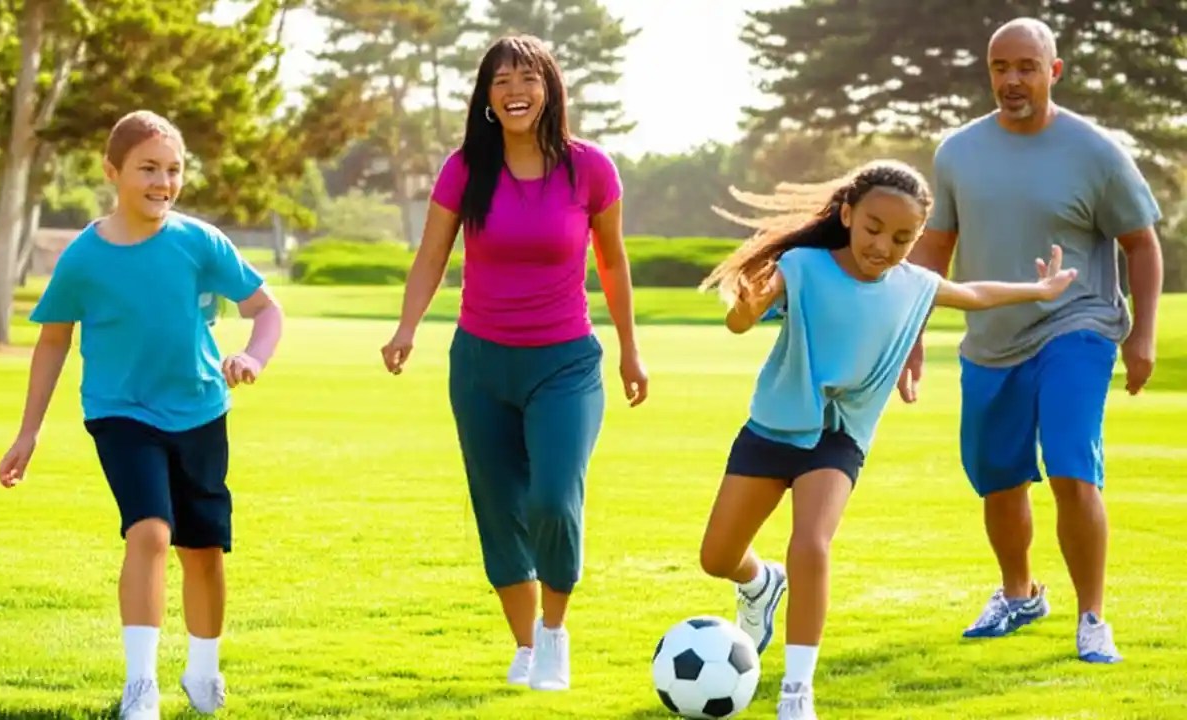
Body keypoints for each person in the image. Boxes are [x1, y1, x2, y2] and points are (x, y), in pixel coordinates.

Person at [697, 160, 1078, 720]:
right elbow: (739, 320)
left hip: (838, 437)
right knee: (717, 557)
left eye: (903, 238)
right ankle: (760, 584)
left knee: (811, 544)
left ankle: (797, 692)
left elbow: (974, 293)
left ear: (917, 238)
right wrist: (748, 306)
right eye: (873, 228)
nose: (884, 246)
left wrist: (1040, 288)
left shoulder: (916, 287)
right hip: (772, 427)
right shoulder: (802, 266)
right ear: (848, 214)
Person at [379, 35, 648, 692]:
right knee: (499, 507)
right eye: (500, 80)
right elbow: (432, 256)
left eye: (527, 76)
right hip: (480, 365)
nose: (514, 88)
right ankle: (526, 645)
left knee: (554, 498)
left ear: (550, 88)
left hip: (565, 363)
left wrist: (631, 350)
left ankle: (555, 632)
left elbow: (611, 263)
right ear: (487, 98)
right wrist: (407, 327)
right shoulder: (466, 168)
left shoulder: (590, 169)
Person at [0, 110, 284, 719]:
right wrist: (29, 431)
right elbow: (53, 341)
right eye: (148, 168)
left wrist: (253, 357)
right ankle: (141, 686)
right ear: (113, 172)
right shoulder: (83, 257)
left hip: (201, 410)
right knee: (150, 531)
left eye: (173, 169)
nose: (163, 181)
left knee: (203, 550)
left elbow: (266, 310)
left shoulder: (200, 242)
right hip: (120, 411)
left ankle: (203, 673)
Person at [898, 17, 1163, 663]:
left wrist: (1142, 337)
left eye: (1025, 66)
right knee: (998, 480)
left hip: (1079, 324)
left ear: (1054, 71)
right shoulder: (957, 151)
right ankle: (1020, 593)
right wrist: (909, 331)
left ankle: (1093, 617)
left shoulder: (1096, 152)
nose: (1012, 80)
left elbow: (1141, 243)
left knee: (1072, 465)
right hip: (991, 336)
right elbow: (935, 244)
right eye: (1000, 67)